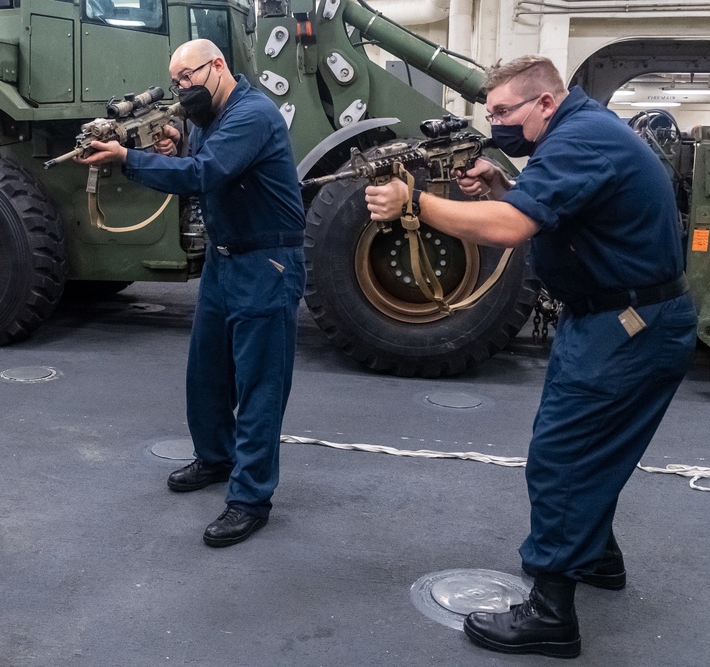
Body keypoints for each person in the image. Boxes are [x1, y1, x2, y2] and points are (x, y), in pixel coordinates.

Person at [365, 55, 696, 658]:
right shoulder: (581, 130)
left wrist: (414, 201)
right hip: (617, 316)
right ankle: (596, 558)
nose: (495, 125)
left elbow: (512, 229)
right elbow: (555, 209)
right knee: (595, 451)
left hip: (623, 323)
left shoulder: (580, 138)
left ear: (545, 102)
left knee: (563, 458)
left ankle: (550, 613)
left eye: (502, 112)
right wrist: (504, 186)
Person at [79, 39, 306, 547]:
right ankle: (216, 457)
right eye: (175, 80)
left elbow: (208, 174)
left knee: (259, 389)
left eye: (186, 77)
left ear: (218, 65)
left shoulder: (253, 114)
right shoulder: (208, 119)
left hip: (265, 262)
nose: (181, 88)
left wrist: (129, 158)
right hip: (225, 261)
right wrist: (174, 146)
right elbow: (205, 168)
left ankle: (250, 499)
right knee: (206, 374)